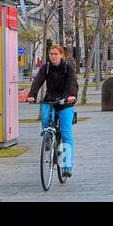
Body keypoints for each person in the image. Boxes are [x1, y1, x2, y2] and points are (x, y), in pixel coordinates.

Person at [26, 45, 78, 178]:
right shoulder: (46, 67)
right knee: (45, 118)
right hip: (50, 99)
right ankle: (48, 138)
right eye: (51, 54)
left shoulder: (68, 67)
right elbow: (38, 81)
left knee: (66, 134)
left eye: (56, 54)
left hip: (66, 102)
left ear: (61, 55)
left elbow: (73, 82)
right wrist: (32, 94)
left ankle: (67, 166)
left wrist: (72, 95)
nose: (53, 56)